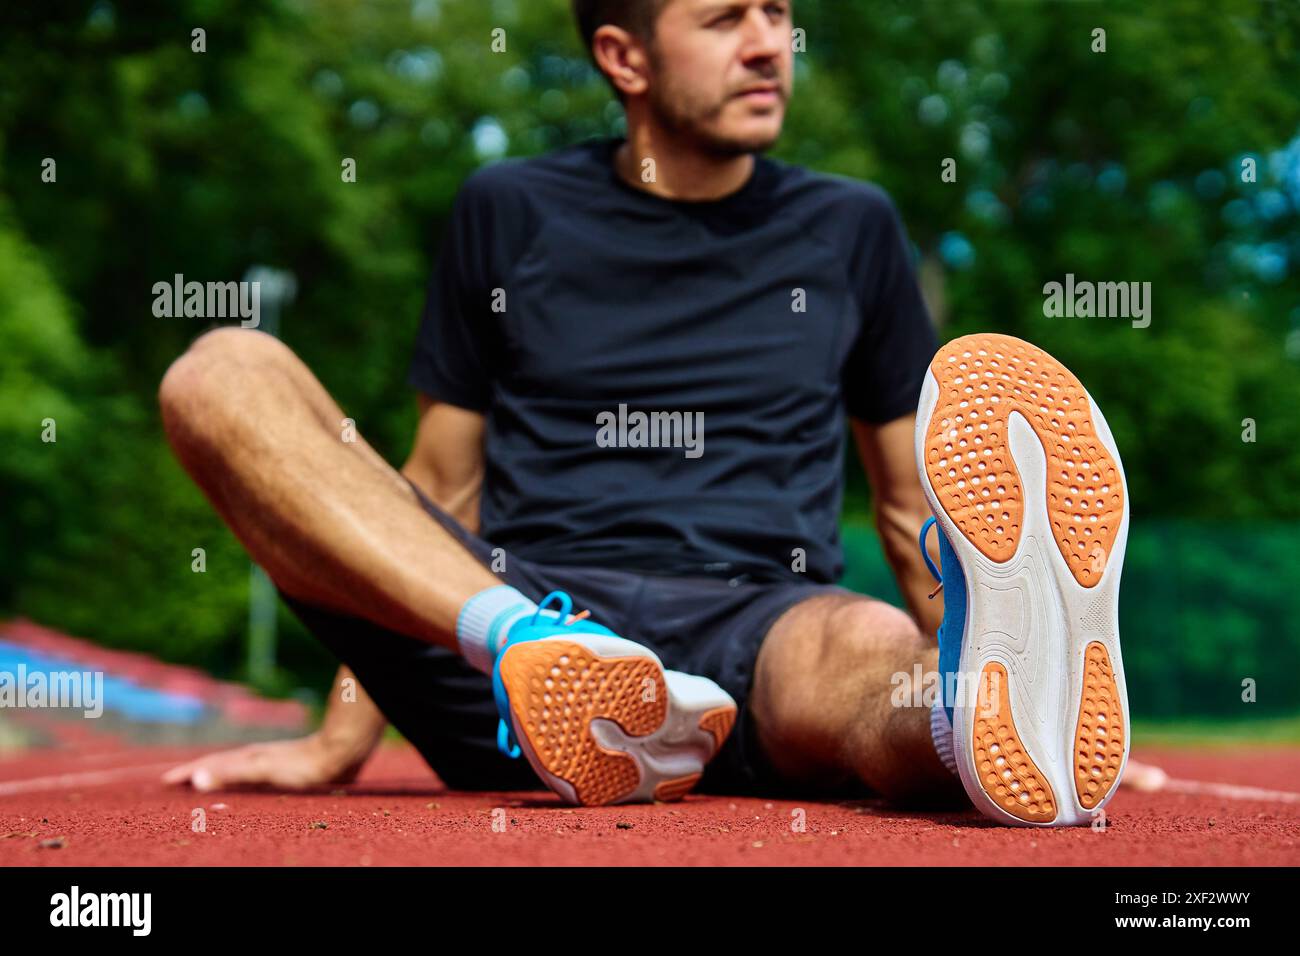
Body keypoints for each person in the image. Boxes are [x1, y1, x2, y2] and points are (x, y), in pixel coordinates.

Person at [159, 0, 1132, 825]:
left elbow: (909, 502)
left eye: (778, 13)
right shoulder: (507, 208)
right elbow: (436, 487)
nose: (767, 44)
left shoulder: (852, 225)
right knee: (220, 369)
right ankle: (543, 650)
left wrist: (974, 661)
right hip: (511, 615)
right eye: (722, 18)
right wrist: (340, 738)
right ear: (623, 57)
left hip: (761, 613)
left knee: (873, 662)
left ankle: (991, 710)